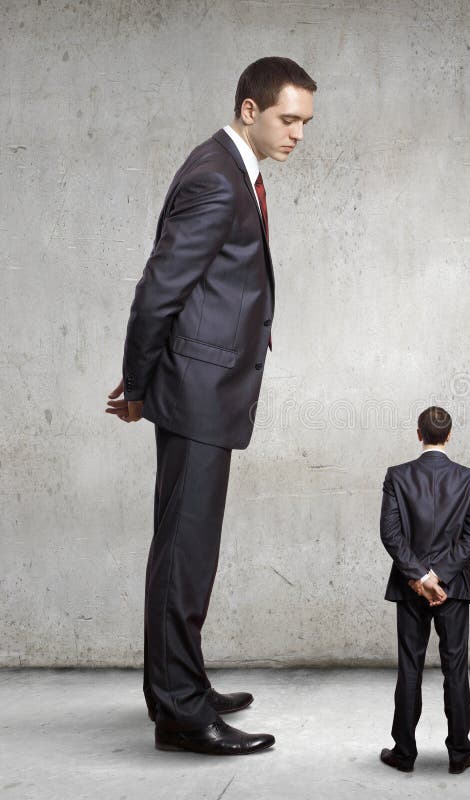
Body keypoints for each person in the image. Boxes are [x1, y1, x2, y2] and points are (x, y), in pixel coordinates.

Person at [105, 57, 316, 755]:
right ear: (249, 110)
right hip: (196, 395)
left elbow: (211, 282)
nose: (298, 134)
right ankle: (180, 712)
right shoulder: (215, 179)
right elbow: (158, 288)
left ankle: (180, 680)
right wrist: (137, 386)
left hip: (206, 388)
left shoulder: (231, 171)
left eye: (306, 123)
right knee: (184, 557)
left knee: (188, 552)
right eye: (288, 119)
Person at [379, 406, 470, 774]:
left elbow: (390, 535)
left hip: (410, 588)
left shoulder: (397, 476)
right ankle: (459, 754)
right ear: (449, 435)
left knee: (410, 666)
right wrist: (439, 576)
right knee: (455, 668)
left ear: (418, 433)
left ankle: (403, 754)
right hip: (452, 589)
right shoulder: (469, 479)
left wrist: (420, 577)